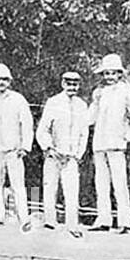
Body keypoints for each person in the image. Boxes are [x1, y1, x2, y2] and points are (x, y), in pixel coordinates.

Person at [88, 54, 130, 233]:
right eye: (106, 73)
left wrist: (127, 136)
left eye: (113, 73)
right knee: (101, 183)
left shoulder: (125, 91)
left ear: (120, 74)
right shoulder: (99, 92)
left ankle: (124, 222)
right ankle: (103, 220)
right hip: (99, 144)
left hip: (116, 144)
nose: (109, 77)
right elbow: (90, 118)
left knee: (119, 184)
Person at [35, 70, 90, 236]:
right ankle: (50, 222)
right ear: (62, 84)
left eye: (75, 84)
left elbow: (84, 132)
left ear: (79, 86)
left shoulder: (82, 105)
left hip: (71, 157)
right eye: (69, 83)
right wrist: (49, 148)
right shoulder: (53, 102)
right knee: (50, 187)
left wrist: (77, 154)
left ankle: (72, 225)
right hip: (53, 154)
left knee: (71, 190)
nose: (72, 87)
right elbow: (42, 130)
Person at [0, 63, 33, 228]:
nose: (1, 83)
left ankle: (24, 219)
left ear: (9, 81)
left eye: (4, 79)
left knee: (17, 185)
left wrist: (25, 146)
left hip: (13, 150)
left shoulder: (18, 99)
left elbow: (27, 123)